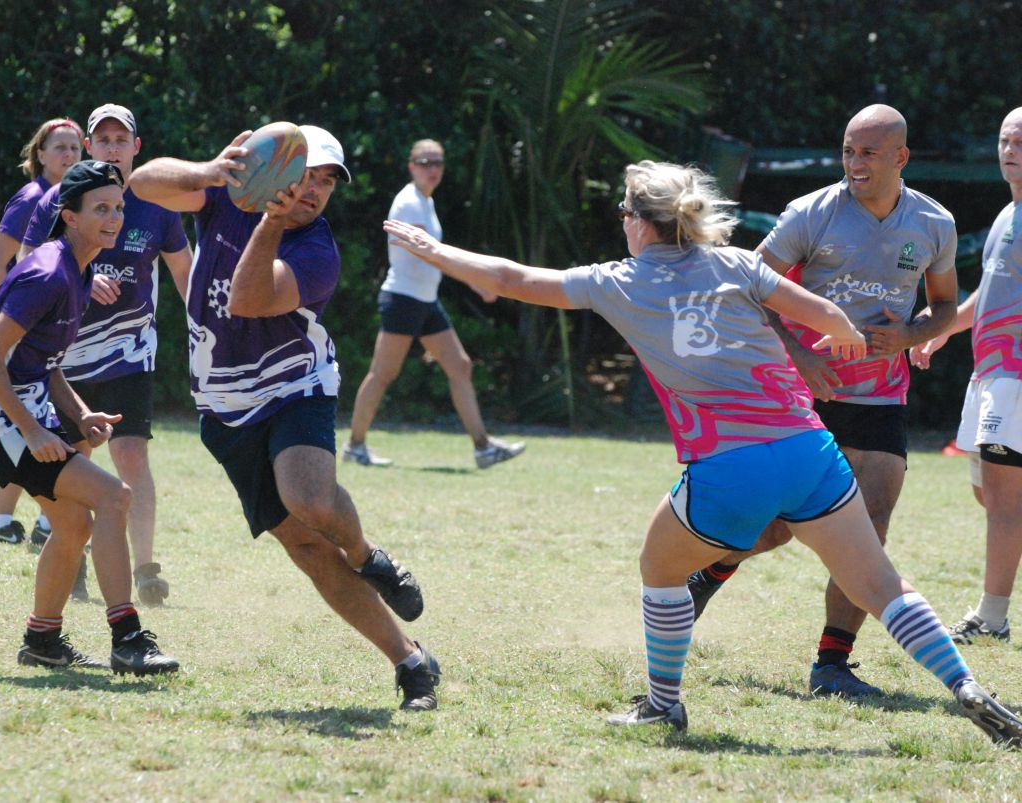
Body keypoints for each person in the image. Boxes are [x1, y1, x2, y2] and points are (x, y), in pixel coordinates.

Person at [382, 159, 1021, 744]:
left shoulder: (618, 282)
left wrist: (436, 252)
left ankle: (664, 704)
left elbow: (512, 278)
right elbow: (822, 312)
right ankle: (966, 686)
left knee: (659, 568)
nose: (622, 223)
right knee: (881, 583)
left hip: (729, 465)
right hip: (809, 449)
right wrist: (846, 337)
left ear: (641, 222)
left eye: (624, 212)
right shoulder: (736, 263)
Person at [128, 124, 442, 710]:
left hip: (295, 385)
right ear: (275, 170)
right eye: (306, 175)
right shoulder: (225, 196)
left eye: (327, 182)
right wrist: (210, 171)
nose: (314, 191)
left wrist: (270, 221)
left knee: (310, 498)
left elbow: (247, 299)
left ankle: (367, 555)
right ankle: (412, 662)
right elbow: (142, 184)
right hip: (224, 407)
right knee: (307, 549)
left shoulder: (317, 251)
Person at [684, 104, 959, 697]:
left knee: (871, 527)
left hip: (880, 398)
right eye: (848, 151)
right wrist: (801, 359)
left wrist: (908, 335)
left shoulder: (933, 222)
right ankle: (707, 574)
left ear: (900, 157)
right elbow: (746, 289)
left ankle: (832, 665)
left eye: (868, 153)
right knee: (777, 527)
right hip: (802, 395)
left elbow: (944, 307)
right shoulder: (810, 213)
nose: (854, 163)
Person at [0, 160, 178, 675]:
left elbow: (43, 360)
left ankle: (42, 641)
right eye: (101, 208)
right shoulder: (49, 273)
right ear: (69, 216)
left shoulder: (80, 268)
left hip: (19, 408)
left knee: (73, 524)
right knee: (114, 497)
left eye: (118, 207)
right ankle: (128, 640)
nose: (114, 218)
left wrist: (80, 413)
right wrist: (32, 431)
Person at [19, 104, 193, 605]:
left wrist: (210, 329)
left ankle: (146, 569)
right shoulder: (60, 199)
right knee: (73, 459)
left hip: (130, 351)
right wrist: (79, 278)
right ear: (89, 147)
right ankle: (70, 557)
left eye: (121, 140)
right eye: (103, 140)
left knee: (131, 453)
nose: (112, 148)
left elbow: (186, 273)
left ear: (136, 147)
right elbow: (27, 263)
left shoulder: (158, 205)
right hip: (66, 353)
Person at [910, 107, 1022, 645]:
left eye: (1021, 142)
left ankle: (991, 619)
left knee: (1003, 500)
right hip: (988, 375)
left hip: (1015, 379)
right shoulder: (1007, 214)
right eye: (1005, 141)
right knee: (989, 495)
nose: (1010, 151)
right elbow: (991, 292)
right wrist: (945, 329)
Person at [343, 139, 524, 468]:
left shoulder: (426, 201)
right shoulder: (410, 203)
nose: (433, 169)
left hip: (424, 299)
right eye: (425, 163)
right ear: (412, 167)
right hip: (403, 299)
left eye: (437, 162)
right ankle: (355, 446)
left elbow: (435, 257)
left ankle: (483, 448)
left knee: (460, 367)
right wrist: (476, 281)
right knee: (383, 374)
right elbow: (431, 256)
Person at [0, 117, 84, 546]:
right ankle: (37, 522)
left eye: (75, 148)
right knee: (35, 427)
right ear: (39, 154)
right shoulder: (32, 197)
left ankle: (7, 522)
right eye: (60, 147)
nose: (69, 155)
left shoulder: (76, 200)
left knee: (36, 429)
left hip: (47, 332)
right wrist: (10, 324)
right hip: (24, 333)